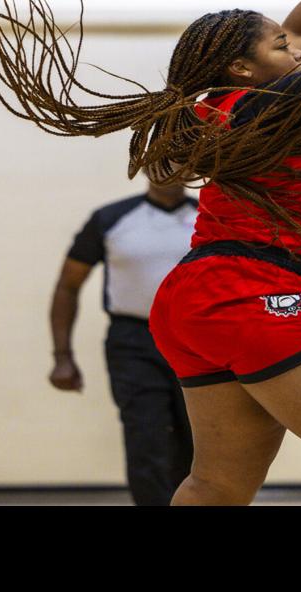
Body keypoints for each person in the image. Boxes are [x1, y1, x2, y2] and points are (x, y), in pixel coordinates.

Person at [0, 0, 301, 505]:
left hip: (192, 299)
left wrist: (290, 38)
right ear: (241, 67)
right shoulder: (262, 105)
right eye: (281, 46)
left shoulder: (226, 103)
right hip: (254, 290)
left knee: (218, 483)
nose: (298, 49)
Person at [50, 181, 199, 505]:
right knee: (146, 438)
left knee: (202, 443)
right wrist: (63, 355)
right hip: (134, 342)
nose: (168, 166)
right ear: (143, 163)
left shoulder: (210, 217)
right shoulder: (111, 218)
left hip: (198, 341)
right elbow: (68, 285)